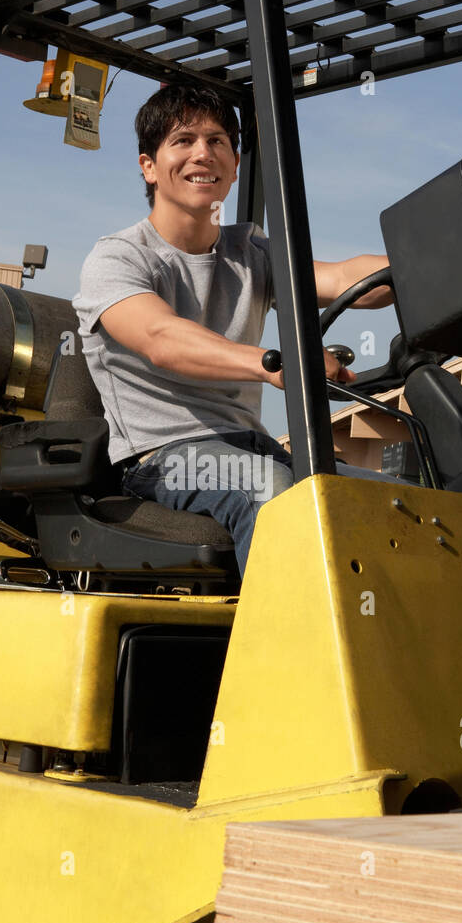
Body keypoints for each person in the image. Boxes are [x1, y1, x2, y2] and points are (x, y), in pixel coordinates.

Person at [74, 82, 395, 576]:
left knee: (393, 500)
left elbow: (340, 279)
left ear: (235, 163)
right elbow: (162, 339)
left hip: (249, 442)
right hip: (160, 458)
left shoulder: (249, 249)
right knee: (267, 489)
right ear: (149, 167)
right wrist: (273, 362)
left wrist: (428, 267)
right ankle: (287, 652)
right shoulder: (119, 257)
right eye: (183, 141)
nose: (203, 152)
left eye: (217, 141)